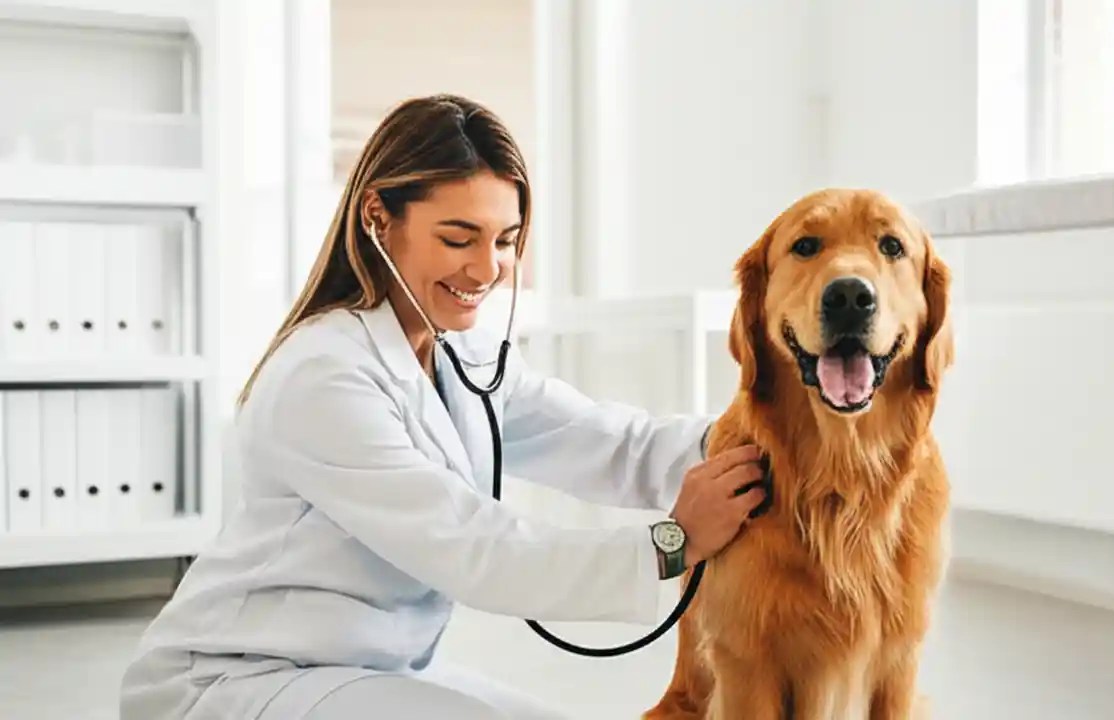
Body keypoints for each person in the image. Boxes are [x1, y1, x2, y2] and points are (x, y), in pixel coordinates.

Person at [118, 94, 766, 719]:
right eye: (460, 238)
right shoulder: (324, 377)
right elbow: (475, 548)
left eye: (506, 241)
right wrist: (673, 543)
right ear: (378, 217)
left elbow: (610, 442)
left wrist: (766, 441)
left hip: (369, 672)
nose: (487, 269)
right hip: (245, 680)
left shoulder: (465, 357)